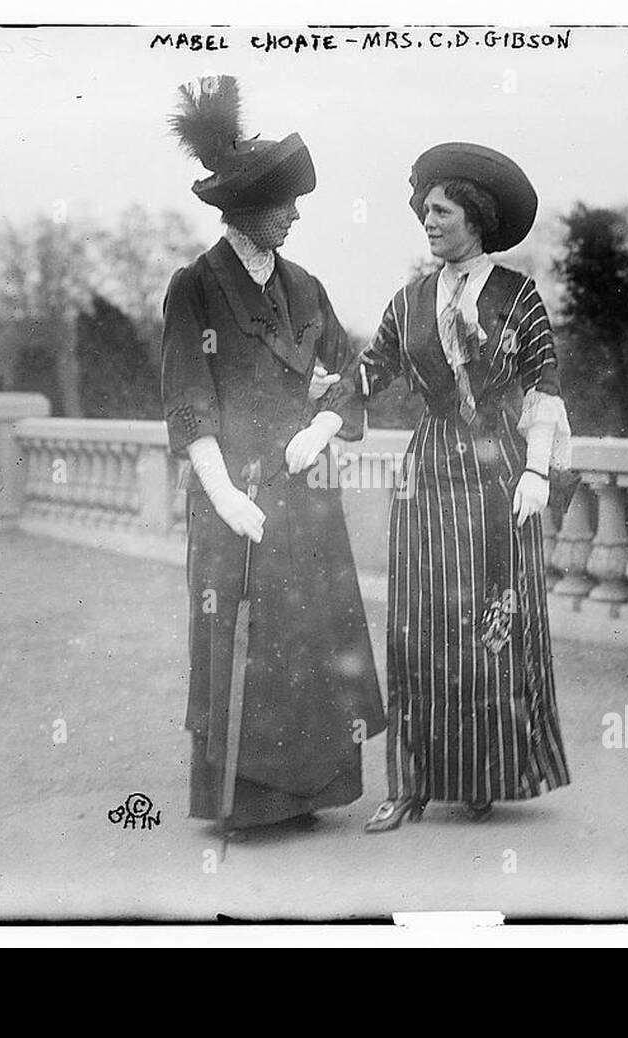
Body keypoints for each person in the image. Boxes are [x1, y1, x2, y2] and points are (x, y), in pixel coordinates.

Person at [160, 76, 384, 833]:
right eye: (282, 203)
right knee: (241, 642)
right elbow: (188, 399)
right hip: (236, 492)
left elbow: (347, 379)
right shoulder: (194, 288)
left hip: (304, 486)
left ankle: (309, 794)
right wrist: (223, 495)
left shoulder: (307, 286)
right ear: (241, 211)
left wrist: (320, 430)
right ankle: (248, 805)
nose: (294, 214)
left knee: (310, 637)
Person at [352, 142, 572, 832]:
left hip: (499, 470)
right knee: (419, 625)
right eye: (424, 210)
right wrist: (321, 403)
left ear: (474, 216)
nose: (429, 220)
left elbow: (543, 387)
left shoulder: (518, 296)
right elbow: (370, 371)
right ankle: (409, 785)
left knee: (490, 621)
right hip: (430, 469)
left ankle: (484, 771)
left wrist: (538, 470)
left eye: (441, 210)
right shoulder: (409, 301)